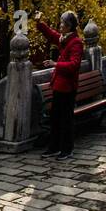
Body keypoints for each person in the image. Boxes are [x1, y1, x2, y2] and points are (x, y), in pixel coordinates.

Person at [36, 11, 84, 161]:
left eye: (62, 23)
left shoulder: (75, 42)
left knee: (66, 119)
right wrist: (39, 23)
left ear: (69, 26)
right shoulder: (64, 39)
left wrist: (55, 64)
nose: (60, 25)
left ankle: (66, 149)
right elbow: (51, 35)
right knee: (55, 118)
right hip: (58, 86)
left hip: (68, 88)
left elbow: (74, 65)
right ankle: (54, 147)